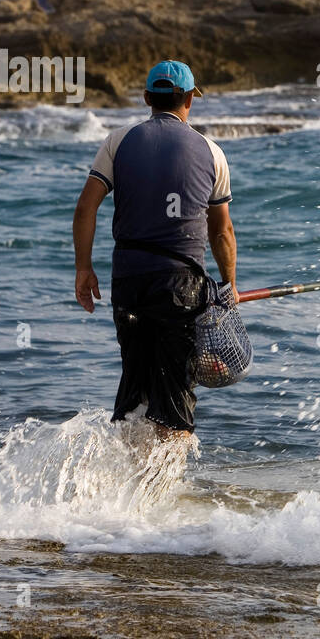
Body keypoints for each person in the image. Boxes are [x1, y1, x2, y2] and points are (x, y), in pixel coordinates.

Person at [72, 59, 237, 436]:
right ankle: (164, 493)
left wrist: (84, 269)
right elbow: (222, 232)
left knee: (135, 390)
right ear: (189, 101)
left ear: (147, 98)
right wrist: (229, 284)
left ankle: (119, 484)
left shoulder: (118, 141)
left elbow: (86, 208)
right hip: (180, 287)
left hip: (128, 281)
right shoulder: (212, 152)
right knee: (175, 401)